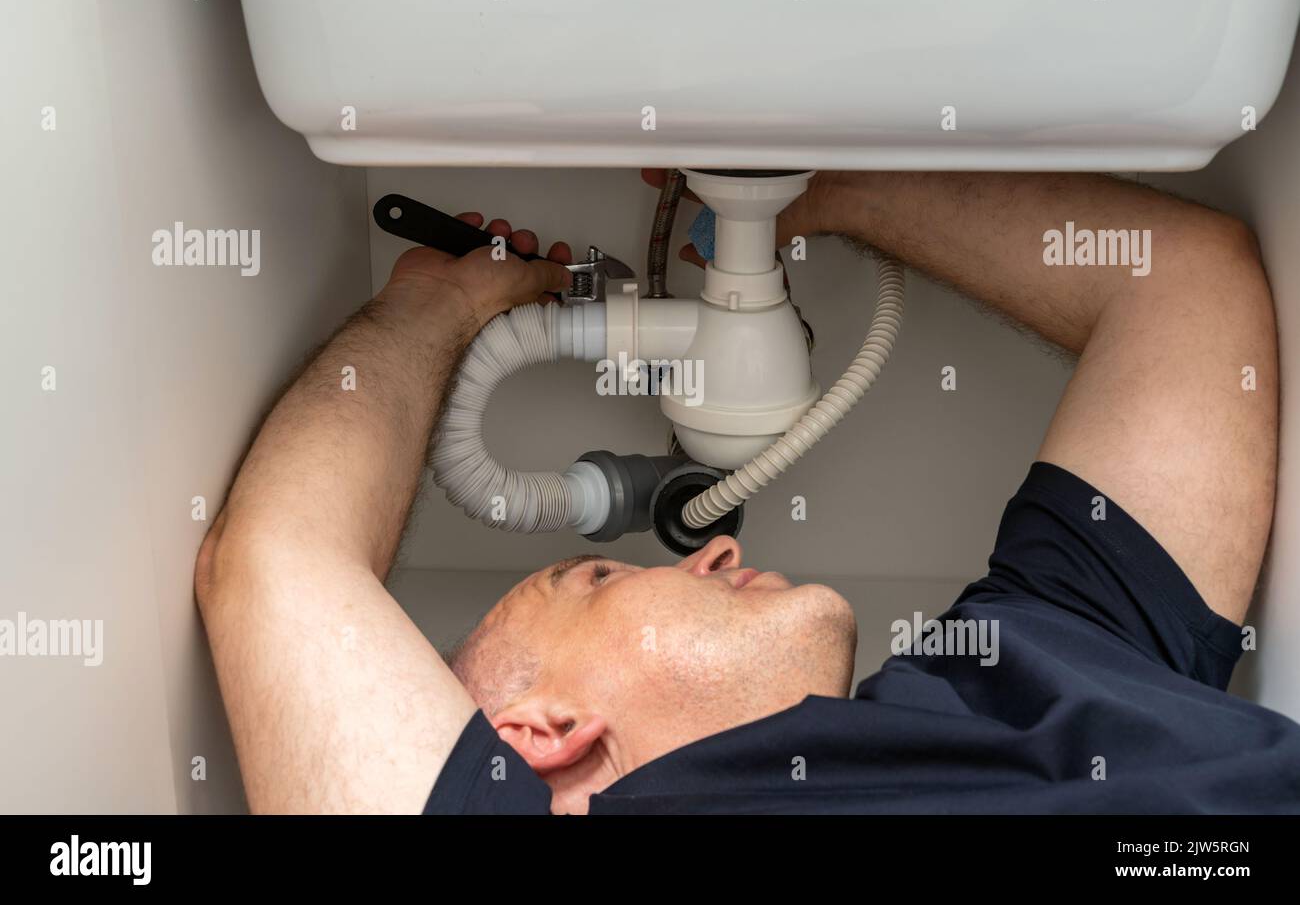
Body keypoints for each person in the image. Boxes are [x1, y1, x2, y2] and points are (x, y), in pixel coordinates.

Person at [194, 171, 1300, 814]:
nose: (711, 550)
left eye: (596, 571)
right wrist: (431, 307)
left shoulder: (1025, 668)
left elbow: (1181, 286)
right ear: (541, 731)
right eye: (597, 574)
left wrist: (818, 186)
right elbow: (263, 566)